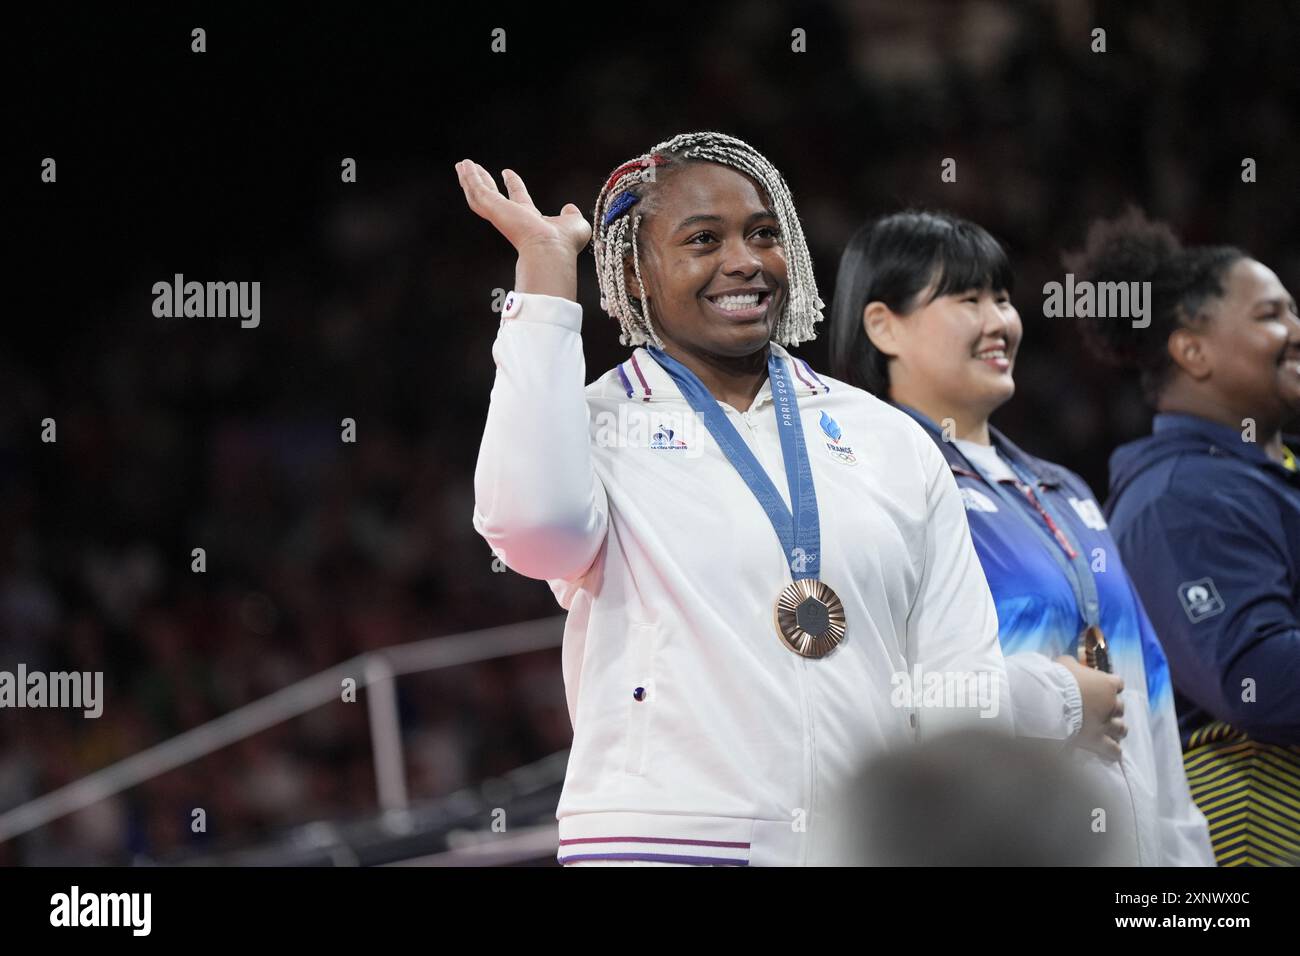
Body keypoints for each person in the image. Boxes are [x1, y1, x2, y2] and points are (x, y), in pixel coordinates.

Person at [456, 134, 1011, 867]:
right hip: (662, 844)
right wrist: (547, 282)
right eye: (703, 240)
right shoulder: (595, 425)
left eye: (763, 234)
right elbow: (532, 529)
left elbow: (960, 662)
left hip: (867, 844)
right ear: (637, 271)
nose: (744, 261)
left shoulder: (887, 437)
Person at [828, 209, 1214, 865]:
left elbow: (1145, 695)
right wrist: (1055, 702)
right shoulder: (866, 488)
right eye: (966, 298)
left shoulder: (1067, 492)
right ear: (882, 325)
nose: (998, 321)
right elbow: (872, 694)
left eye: (1002, 299)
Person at [1069, 208, 1300, 866]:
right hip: (1257, 818)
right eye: (1270, 315)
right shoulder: (1181, 499)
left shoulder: (1265, 474)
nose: (1296, 331)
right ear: (1191, 350)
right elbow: (1259, 680)